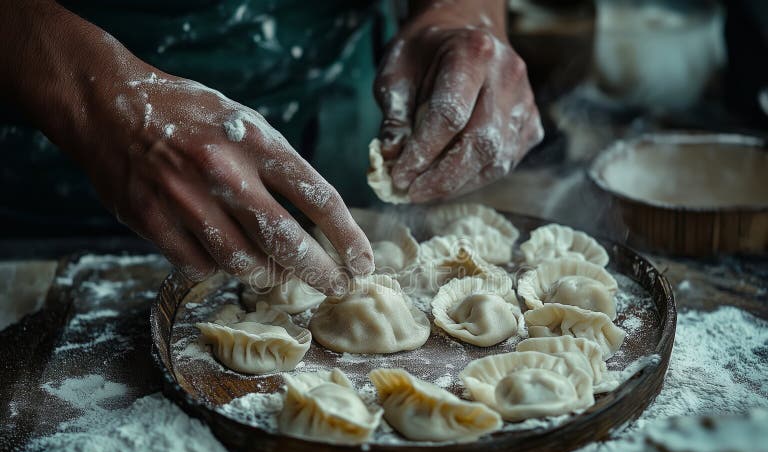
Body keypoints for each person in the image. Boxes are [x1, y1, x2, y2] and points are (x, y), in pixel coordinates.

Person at [0, 0, 542, 293]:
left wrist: (459, 14)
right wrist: (94, 98)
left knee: (358, 264)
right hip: (47, 173)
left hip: (334, 114)